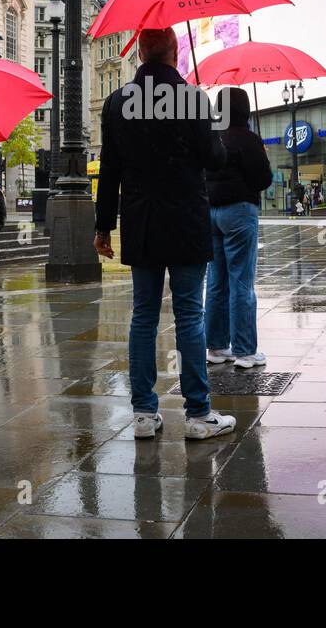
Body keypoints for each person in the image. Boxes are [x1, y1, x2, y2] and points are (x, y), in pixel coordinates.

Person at [94, 27, 237, 442]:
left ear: (140, 54)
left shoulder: (118, 103)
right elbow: (215, 157)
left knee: (143, 315)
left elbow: (110, 171)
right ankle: (197, 414)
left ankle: (143, 413)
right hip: (187, 220)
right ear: (176, 53)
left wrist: (104, 226)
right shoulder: (192, 99)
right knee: (190, 314)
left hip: (141, 222)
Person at [204, 87, 273, 369]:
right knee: (242, 282)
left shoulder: (212, 137)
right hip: (240, 213)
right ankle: (245, 350)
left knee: (216, 282)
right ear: (244, 110)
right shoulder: (248, 139)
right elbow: (263, 179)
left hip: (211, 213)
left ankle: (217, 346)